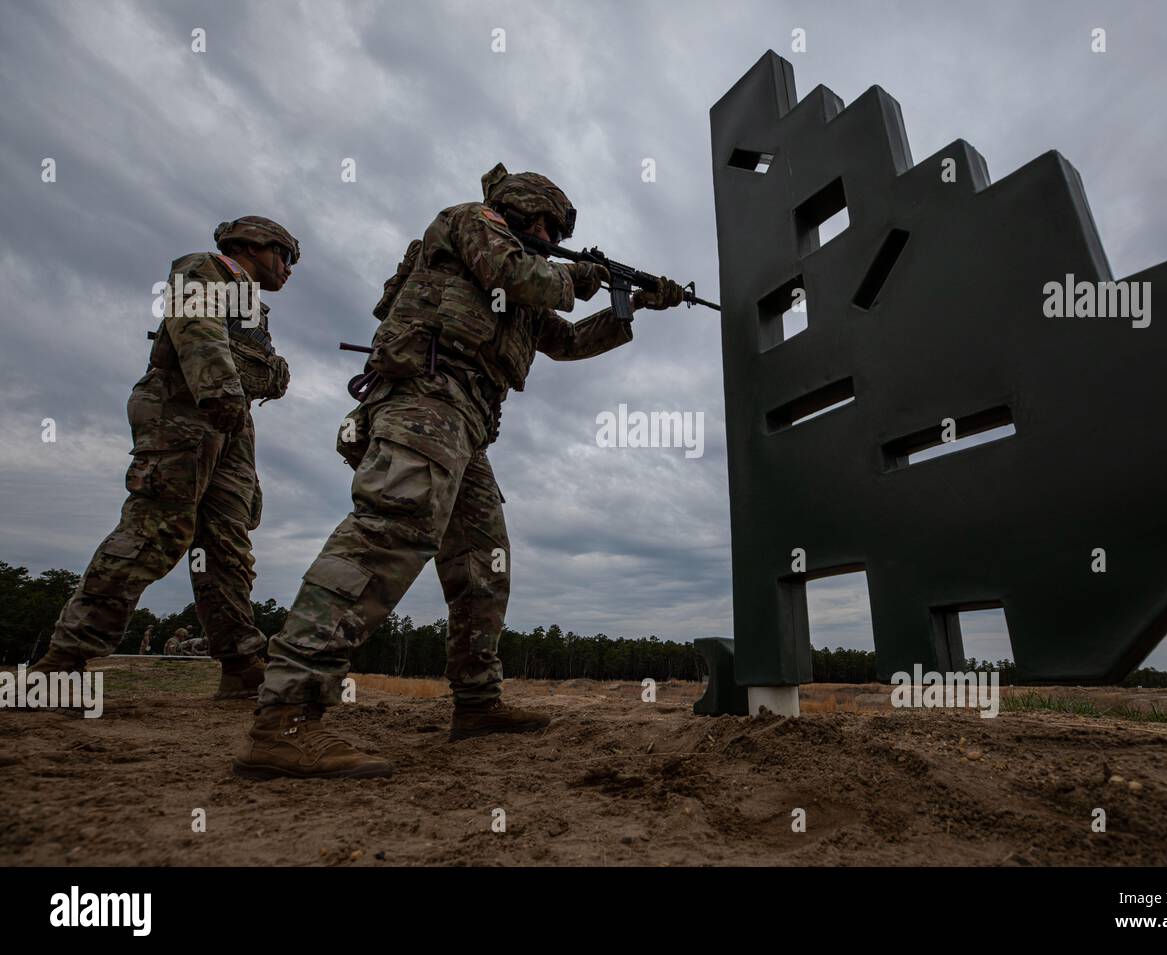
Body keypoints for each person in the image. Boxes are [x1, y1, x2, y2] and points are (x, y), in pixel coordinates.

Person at [233, 164, 684, 779]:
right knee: (389, 532)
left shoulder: (523, 282)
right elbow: (519, 274)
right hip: (424, 398)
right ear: (521, 211)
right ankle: (283, 721)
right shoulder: (472, 224)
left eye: (558, 229)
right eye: (544, 223)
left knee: (482, 562)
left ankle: (477, 703)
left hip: (467, 422)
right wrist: (586, 274)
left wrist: (631, 309)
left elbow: (567, 342)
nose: (551, 236)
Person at [31, 217, 299, 701]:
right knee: (157, 527)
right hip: (184, 408)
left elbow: (255, 365)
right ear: (253, 245)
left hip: (228, 422)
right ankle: (62, 660)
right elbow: (196, 326)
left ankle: (241, 663)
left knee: (227, 543)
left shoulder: (251, 305)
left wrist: (258, 382)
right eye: (286, 255)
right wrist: (221, 388)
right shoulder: (207, 268)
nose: (289, 269)